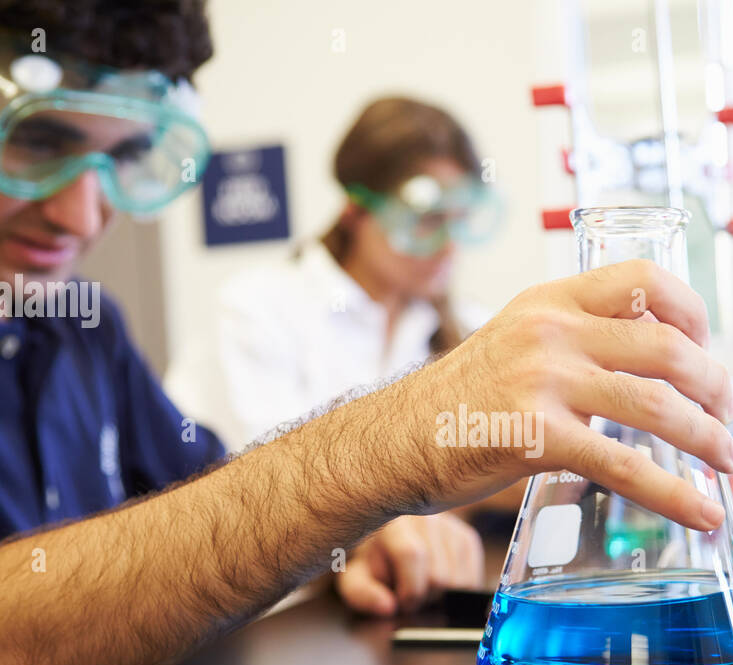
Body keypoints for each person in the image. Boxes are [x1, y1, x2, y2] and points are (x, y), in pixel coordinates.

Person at [0, 0, 733, 665]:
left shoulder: (78, 326)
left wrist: (346, 547)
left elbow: (216, 515)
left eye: (124, 157)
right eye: (38, 141)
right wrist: (398, 444)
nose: (83, 212)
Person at [166, 96, 497, 449]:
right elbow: (271, 482)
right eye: (426, 218)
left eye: (459, 219)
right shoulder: (255, 311)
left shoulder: (469, 327)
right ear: (356, 211)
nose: (449, 246)